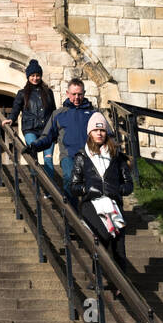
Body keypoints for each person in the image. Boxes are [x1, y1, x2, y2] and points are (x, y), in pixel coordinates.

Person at [69, 112, 133, 264]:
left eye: (102, 130)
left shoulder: (117, 156)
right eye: (95, 130)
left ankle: (121, 286)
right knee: (102, 237)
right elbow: (74, 186)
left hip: (113, 204)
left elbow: (128, 184)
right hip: (91, 204)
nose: (99, 133)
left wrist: (119, 190)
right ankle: (98, 278)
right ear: (89, 133)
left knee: (119, 247)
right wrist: (87, 189)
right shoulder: (81, 157)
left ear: (106, 132)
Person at [26, 77, 96, 206]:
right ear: (67, 94)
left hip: (90, 155)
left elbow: (106, 134)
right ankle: (72, 218)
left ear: (84, 94)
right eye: (73, 94)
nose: (76, 97)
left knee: (91, 186)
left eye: (79, 94)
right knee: (69, 179)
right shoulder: (59, 114)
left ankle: (90, 219)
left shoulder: (93, 113)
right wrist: (34, 146)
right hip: (68, 155)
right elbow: (47, 136)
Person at [3, 60, 56, 177]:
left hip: (48, 131)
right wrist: (11, 118)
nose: (35, 78)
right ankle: (36, 187)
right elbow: (16, 108)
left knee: (48, 160)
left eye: (37, 75)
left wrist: (56, 131)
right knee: (33, 158)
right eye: (32, 75)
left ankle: (51, 192)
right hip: (30, 129)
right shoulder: (22, 93)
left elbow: (54, 112)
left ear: (41, 76)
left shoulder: (48, 92)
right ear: (28, 77)